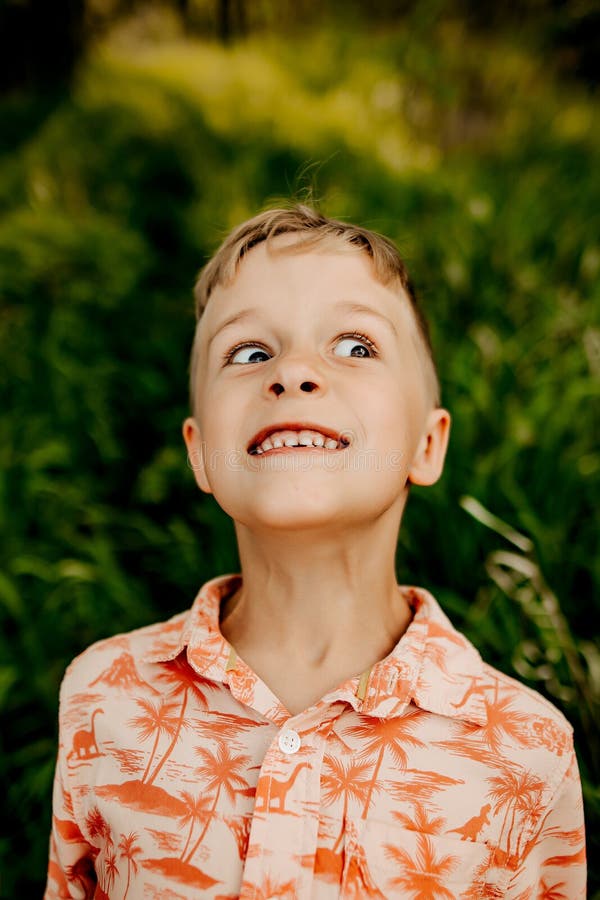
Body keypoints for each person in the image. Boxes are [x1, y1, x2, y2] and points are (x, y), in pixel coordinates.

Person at [45, 205, 586, 899]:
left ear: (428, 442)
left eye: (356, 346)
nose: (294, 373)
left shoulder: (527, 751)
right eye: (249, 353)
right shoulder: (103, 695)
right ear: (200, 453)